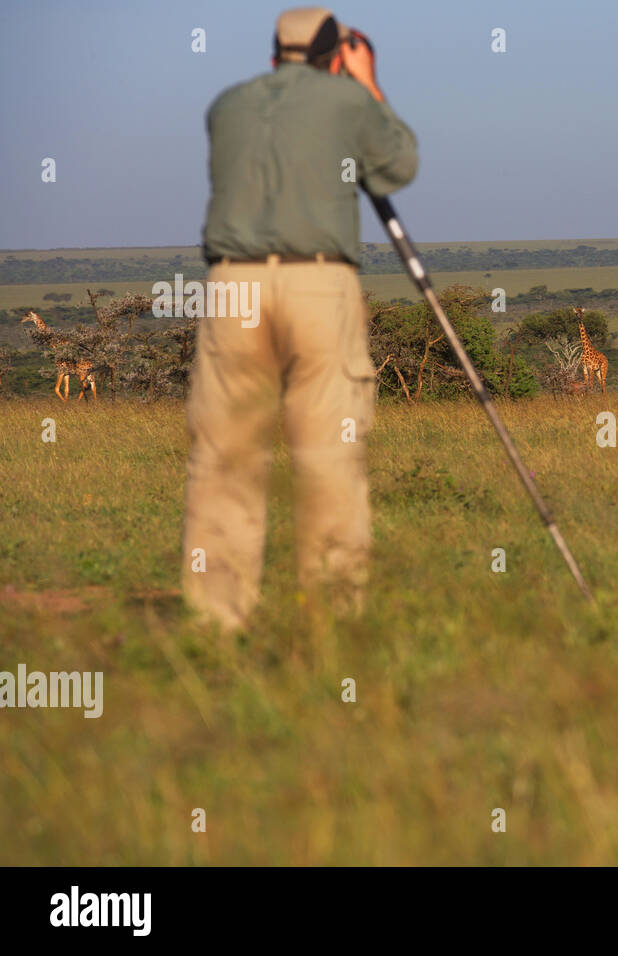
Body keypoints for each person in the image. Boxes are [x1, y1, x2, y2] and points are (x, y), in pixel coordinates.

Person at [182, 7, 418, 632]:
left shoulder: (226, 105)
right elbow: (397, 167)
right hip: (318, 282)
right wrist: (366, 82)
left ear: (273, 55)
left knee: (225, 456)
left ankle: (216, 625)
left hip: (231, 285)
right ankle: (333, 624)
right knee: (328, 451)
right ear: (332, 56)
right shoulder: (346, 98)